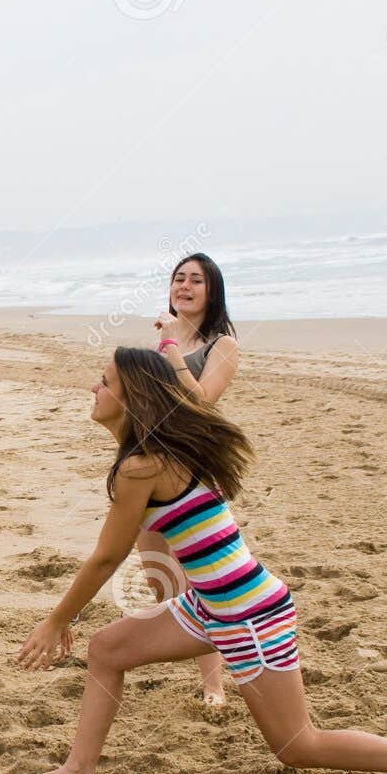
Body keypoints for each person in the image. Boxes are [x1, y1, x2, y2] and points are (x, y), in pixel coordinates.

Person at [14, 347, 387, 774]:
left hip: (249, 613)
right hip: (210, 604)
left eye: (105, 381)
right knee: (107, 650)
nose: (95, 388)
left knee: (297, 744)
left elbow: (106, 558)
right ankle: (77, 770)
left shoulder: (142, 465)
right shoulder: (160, 453)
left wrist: (57, 621)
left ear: (135, 398)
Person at [140, 252, 242, 707]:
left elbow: (201, 399)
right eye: (178, 278)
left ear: (211, 290)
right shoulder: (164, 336)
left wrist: (171, 350)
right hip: (149, 468)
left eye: (195, 280)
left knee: (200, 580)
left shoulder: (223, 346)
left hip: (192, 471)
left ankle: (214, 682)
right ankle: (184, 649)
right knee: (161, 581)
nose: (184, 286)